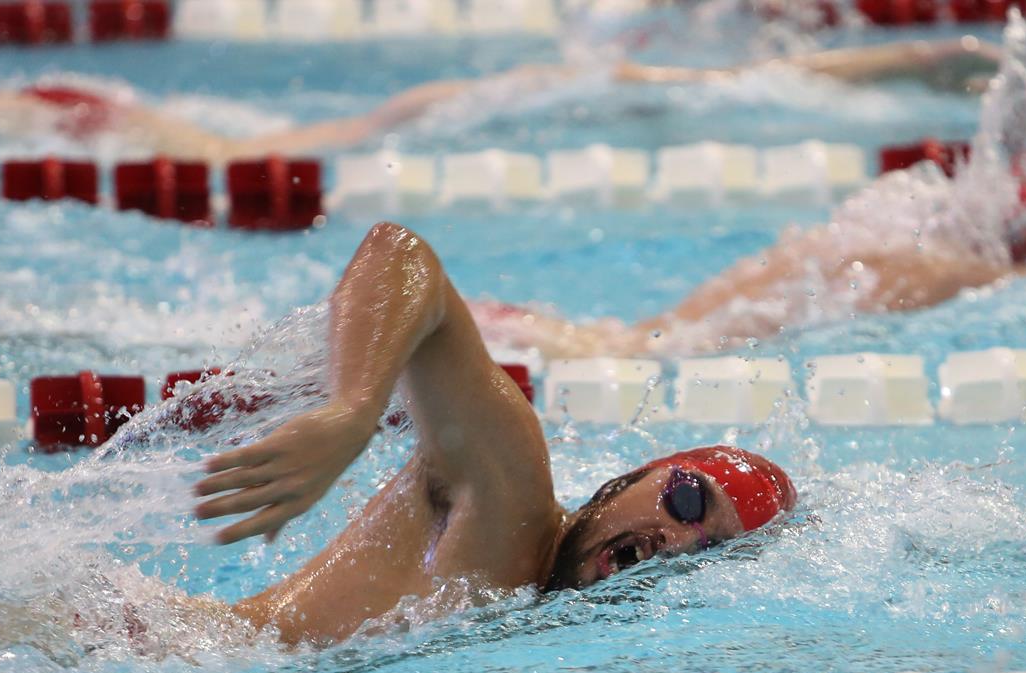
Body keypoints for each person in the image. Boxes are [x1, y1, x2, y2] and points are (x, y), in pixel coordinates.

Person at [184, 220, 800, 648]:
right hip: (152, 642)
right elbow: (399, 254)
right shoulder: (512, 497)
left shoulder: (534, 606)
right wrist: (353, 410)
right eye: (688, 499)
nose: (678, 540)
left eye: (711, 549)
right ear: (626, 479)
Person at [0, 37, 1005, 164]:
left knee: (260, 151)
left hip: (473, 99)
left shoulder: (639, 89)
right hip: (475, 102)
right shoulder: (639, 91)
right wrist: (939, 62)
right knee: (240, 160)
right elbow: (781, 80)